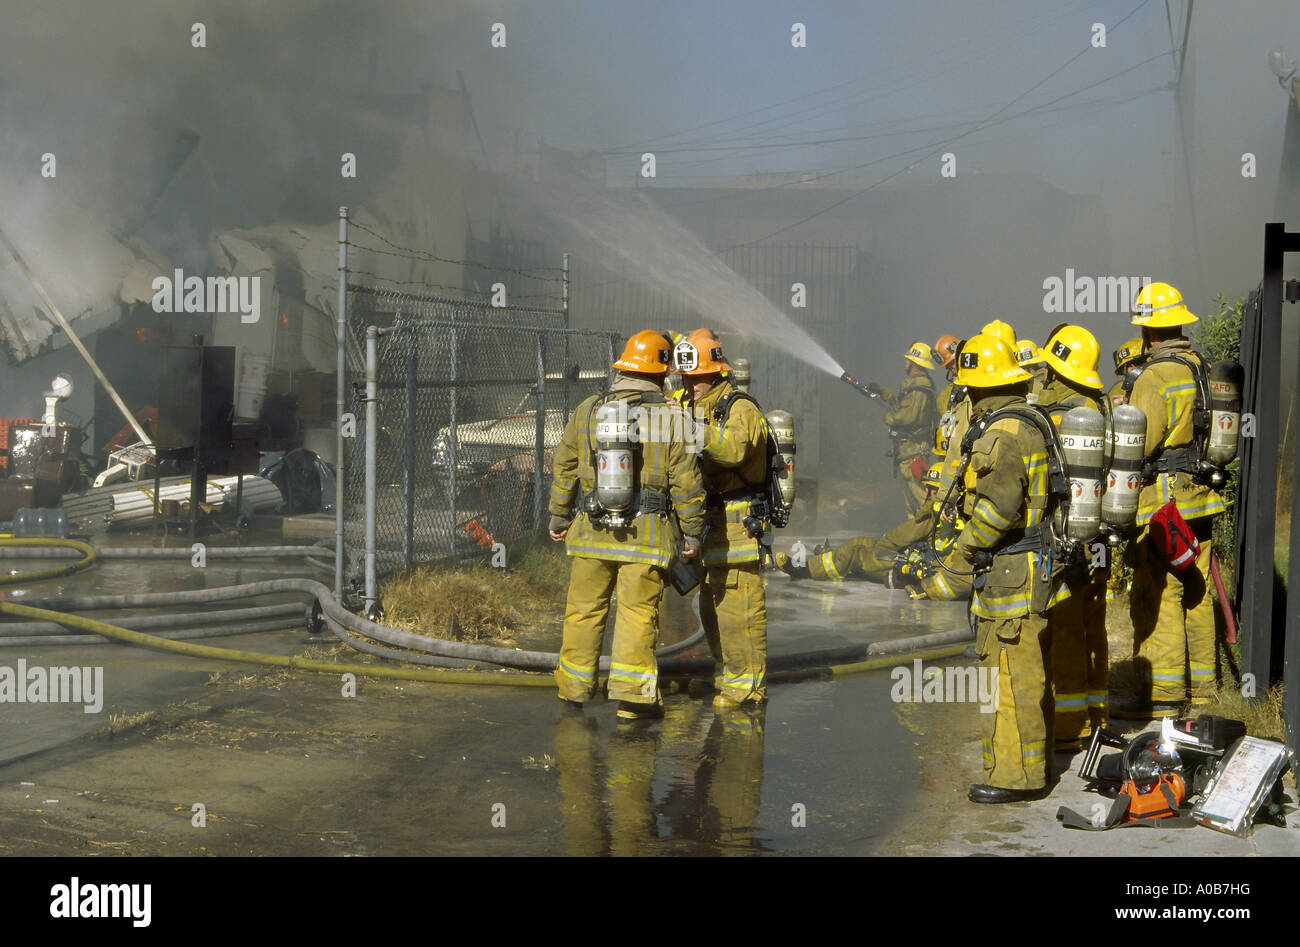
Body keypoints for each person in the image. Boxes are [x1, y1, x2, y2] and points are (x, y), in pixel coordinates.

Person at [922, 332, 1067, 803]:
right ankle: (1026, 768)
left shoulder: (1001, 435)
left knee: (1008, 675)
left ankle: (1015, 778)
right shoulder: (1030, 419)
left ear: (979, 386)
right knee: (1021, 671)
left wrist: (960, 557)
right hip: (1026, 567)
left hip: (1010, 572)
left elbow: (996, 510)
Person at [548, 329, 706, 720]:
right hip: (646, 538)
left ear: (623, 366)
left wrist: (559, 513)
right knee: (637, 614)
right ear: (661, 371)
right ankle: (633, 701)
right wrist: (692, 533)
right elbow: (687, 484)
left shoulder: (587, 409)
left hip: (590, 532)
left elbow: (565, 465)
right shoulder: (673, 418)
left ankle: (573, 691)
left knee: (583, 610)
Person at [1114, 282, 1224, 718]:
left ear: (1149, 333)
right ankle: (1204, 694)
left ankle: (1162, 700)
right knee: (1196, 592)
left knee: (1159, 595)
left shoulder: (1154, 376)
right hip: (1201, 498)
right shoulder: (1201, 366)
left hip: (1164, 506)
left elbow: (1140, 445)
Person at [675, 328, 771, 712]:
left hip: (737, 527)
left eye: (695, 378)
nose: (689, 384)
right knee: (711, 609)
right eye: (685, 377)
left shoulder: (739, 407)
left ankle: (746, 690)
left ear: (714, 373)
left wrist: (687, 428)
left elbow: (732, 450)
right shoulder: (689, 405)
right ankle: (728, 675)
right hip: (709, 527)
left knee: (738, 610)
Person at [1035, 324, 1110, 748]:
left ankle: (1069, 726)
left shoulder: (1055, 415)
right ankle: (1097, 714)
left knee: (1064, 627)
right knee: (1092, 624)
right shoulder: (1103, 410)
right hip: (1100, 539)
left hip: (1065, 538)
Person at [774, 464, 962, 587]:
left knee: (857, 547)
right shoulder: (946, 511)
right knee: (862, 549)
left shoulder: (935, 513)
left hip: (914, 564)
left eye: (934, 488)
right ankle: (821, 562)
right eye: (928, 487)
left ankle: (805, 570)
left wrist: (881, 548)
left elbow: (901, 537)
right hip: (918, 561)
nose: (928, 492)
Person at [869, 342, 938, 514]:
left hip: (913, 454)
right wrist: (884, 393)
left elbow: (909, 416)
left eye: (908, 359)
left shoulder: (919, 386)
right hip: (908, 453)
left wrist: (889, 417)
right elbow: (904, 404)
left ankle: (935, 533)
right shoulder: (914, 384)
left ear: (914, 362)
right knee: (912, 505)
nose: (905, 362)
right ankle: (917, 536)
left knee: (922, 501)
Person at [1108, 336, 1147, 408]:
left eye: (1125, 373)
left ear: (1132, 367)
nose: (1124, 379)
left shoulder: (1121, 389)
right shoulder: (1119, 390)